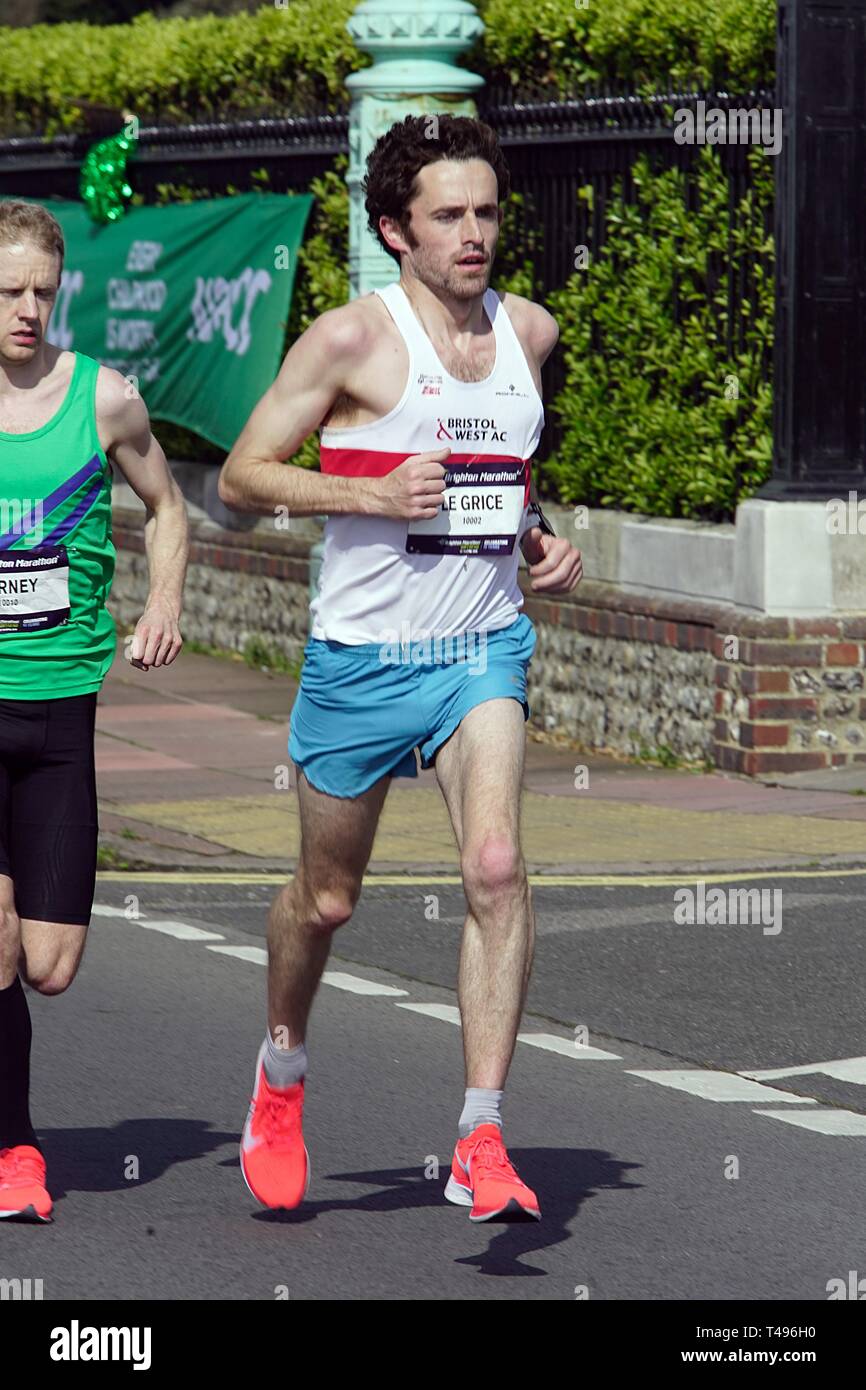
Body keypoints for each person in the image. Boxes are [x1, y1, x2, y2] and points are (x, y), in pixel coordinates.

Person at [219, 115, 583, 1222]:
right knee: (325, 901)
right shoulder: (349, 342)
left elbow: (503, 480)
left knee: (493, 863)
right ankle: (281, 1072)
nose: (473, 235)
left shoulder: (529, 330)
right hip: (362, 660)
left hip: (479, 648)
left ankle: (479, 1131)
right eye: (446, 216)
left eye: (484, 212)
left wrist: (540, 539)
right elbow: (241, 476)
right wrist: (370, 496)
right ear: (394, 230)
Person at [0, 199, 188, 1221]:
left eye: (42, 290)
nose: (28, 309)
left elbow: (168, 506)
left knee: (50, 963)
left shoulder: (103, 399)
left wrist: (162, 601)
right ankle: (15, 1150)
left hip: (62, 709)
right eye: (8, 292)